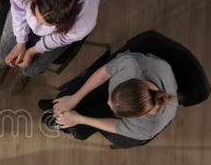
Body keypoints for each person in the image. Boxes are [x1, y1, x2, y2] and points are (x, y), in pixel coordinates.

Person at [0, 0, 100, 95]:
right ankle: (2, 64)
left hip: (71, 16)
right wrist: (21, 41)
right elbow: (17, 9)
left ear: (62, 26)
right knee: (6, 49)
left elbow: (60, 39)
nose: (36, 26)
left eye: (44, 24)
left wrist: (32, 51)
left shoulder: (83, 25)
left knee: (34, 67)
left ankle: (25, 75)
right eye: (36, 15)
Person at [42, 51, 178, 141]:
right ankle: (57, 110)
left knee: (79, 130)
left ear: (139, 115)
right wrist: (75, 98)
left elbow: (116, 126)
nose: (108, 103)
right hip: (112, 88)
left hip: (129, 122)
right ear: (134, 81)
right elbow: (103, 73)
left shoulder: (147, 127)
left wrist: (78, 118)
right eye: (111, 100)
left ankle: (58, 119)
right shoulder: (132, 64)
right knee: (67, 96)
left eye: (113, 106)